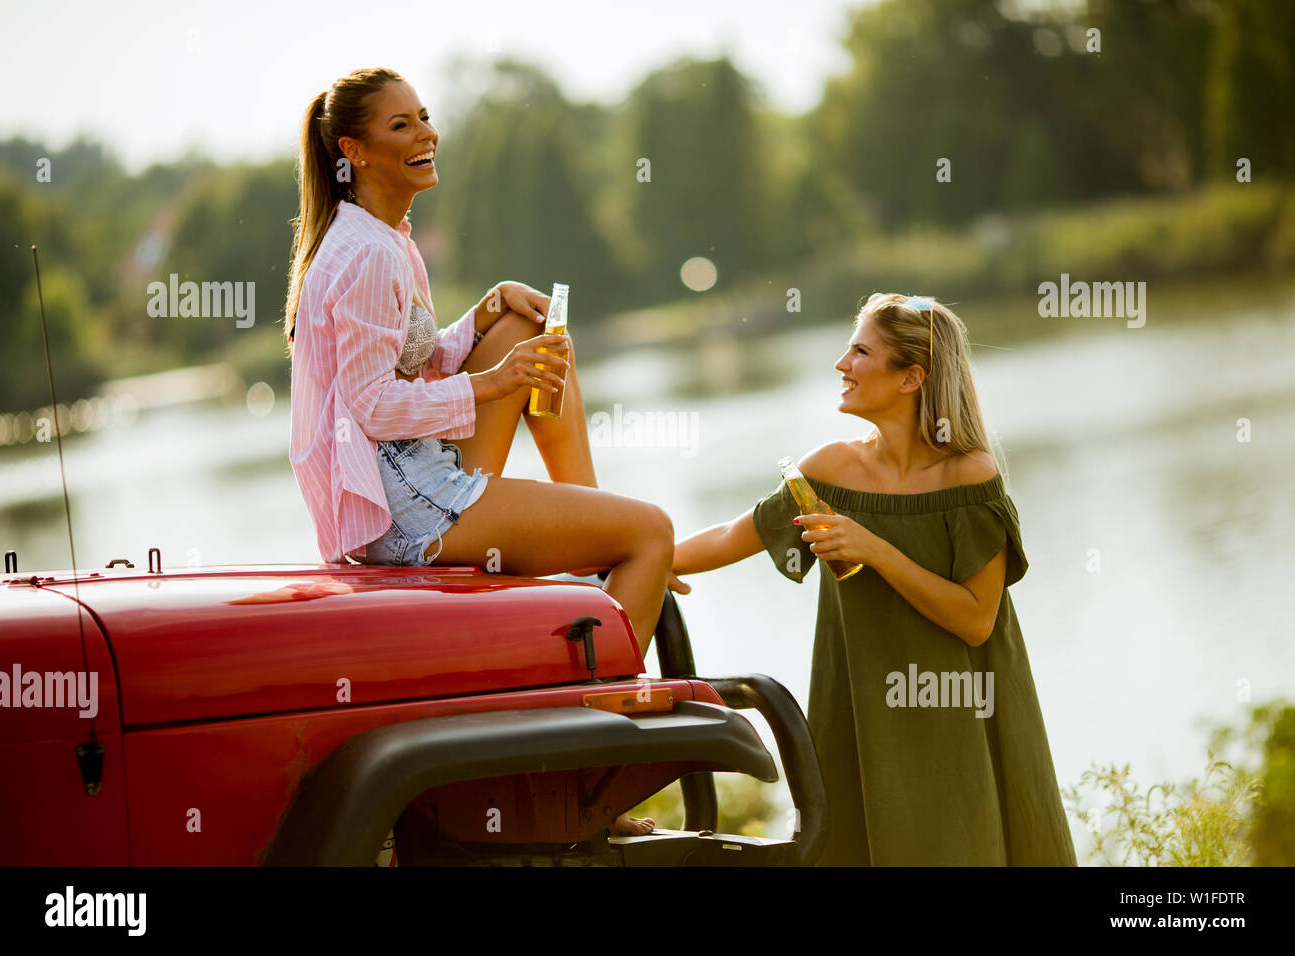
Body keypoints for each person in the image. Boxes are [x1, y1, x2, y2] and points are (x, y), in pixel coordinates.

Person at [284, 67, 669, 836]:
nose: (427, 133)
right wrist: (493, 386)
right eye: (402, 126)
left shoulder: (384, 237)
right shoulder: (368, 256)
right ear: (352, 151)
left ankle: (596, 534)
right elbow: (373, 408)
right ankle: (584, 788)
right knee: (652, 532)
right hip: (404, 502)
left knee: (529, 329)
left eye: (425, 117)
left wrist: (487, 310)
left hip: (414, 470)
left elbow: (415, 361)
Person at [669, 293, 1077, 865]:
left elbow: (977, 619)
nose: (841, 365)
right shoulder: (831, 469)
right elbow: (730, 536)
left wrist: (876, 550)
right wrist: (651, 559)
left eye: (860, 351)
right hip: (860, 717)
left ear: (911, 378)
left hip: (962, 717)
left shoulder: (969, 476)